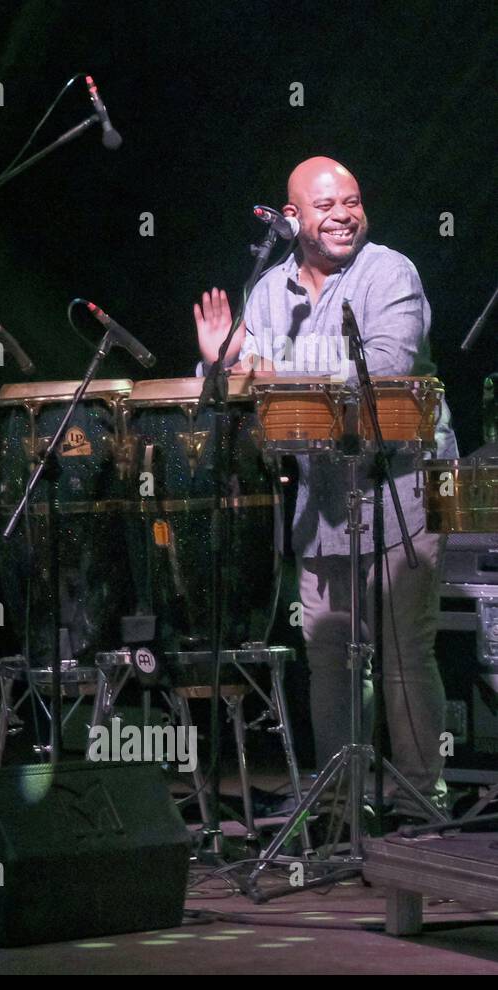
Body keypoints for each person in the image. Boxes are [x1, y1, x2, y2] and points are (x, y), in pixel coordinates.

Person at [193, 157, 456, 817]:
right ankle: (342, 802)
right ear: (292, 219)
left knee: (401, 653)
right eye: (326, 205)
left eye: (353, 201)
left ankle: (425, 802)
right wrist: (217, 360)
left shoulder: (389, 273)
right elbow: (235, 387)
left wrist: (267, 367)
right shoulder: (268, 293)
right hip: (325, 500)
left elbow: (385, 374)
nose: (344, 214)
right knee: (331, 658)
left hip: (405, 491)